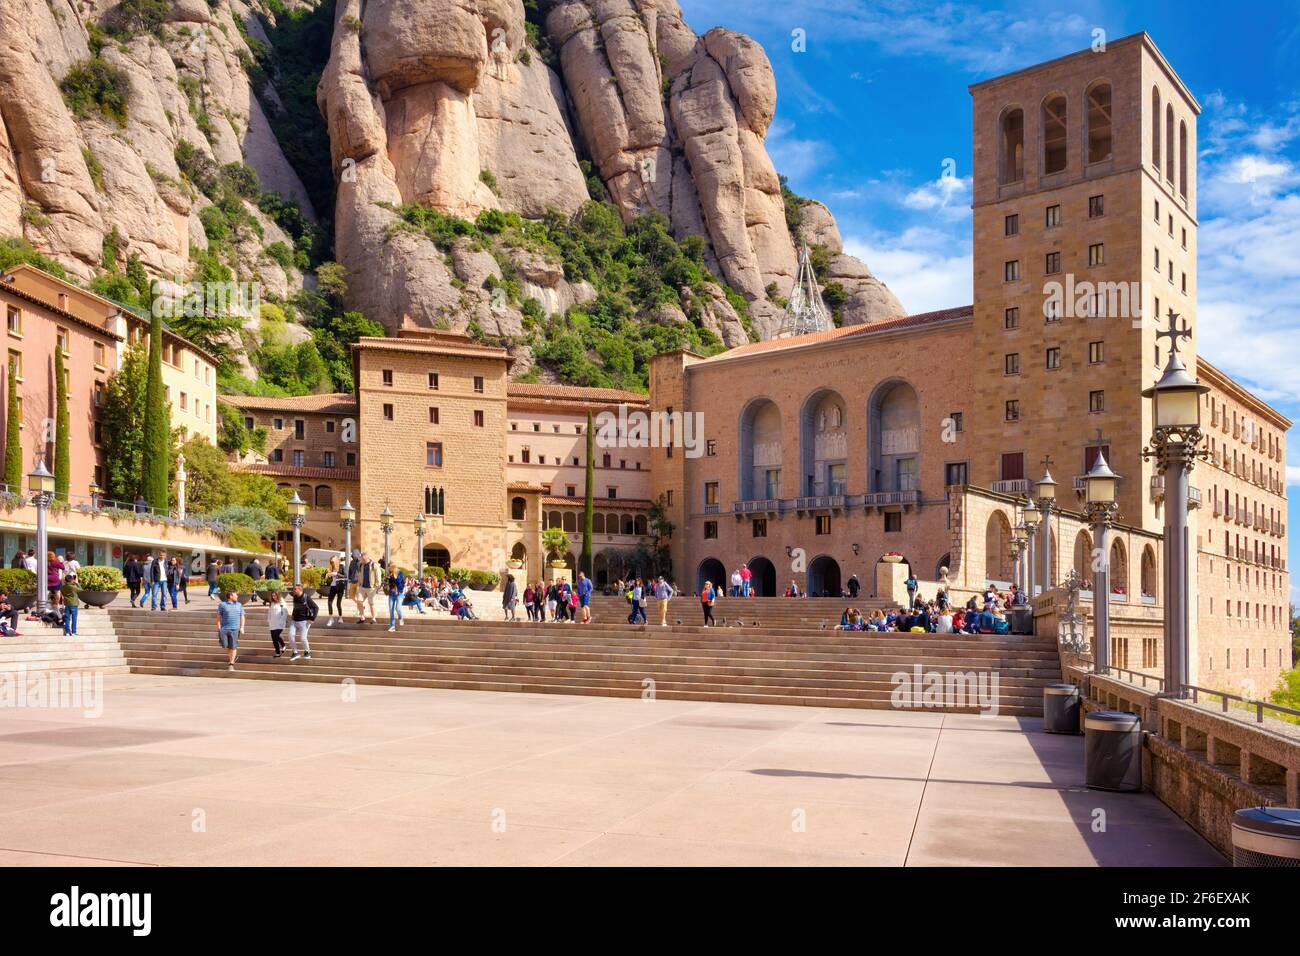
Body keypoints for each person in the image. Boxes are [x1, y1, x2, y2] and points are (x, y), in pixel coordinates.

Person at [216, 590, 244, 671]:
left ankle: (231, 663)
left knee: (233, 646)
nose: (237, 596)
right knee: (227, 645)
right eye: (236, 595)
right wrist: (219, 627)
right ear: (231, 596)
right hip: (224, 629)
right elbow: (218, 616)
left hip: (235, 629)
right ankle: (233, 657)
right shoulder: (222, 605)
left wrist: (242, 627)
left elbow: (242, 616)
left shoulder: (239, 605)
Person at [288, 584, 317, 660]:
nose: (293, 590)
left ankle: (307, 652)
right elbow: (295, 607)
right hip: (295, 621)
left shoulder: (306, 597)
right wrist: (293, 615)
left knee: (303, 638)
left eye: (295, 589)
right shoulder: (294, 597)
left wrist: (312, 619)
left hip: (304, 621)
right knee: (291, 635)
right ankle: (295, 652)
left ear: (300, 590)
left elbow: (316, 607)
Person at [354, 551, 379, 624]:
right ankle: (362, 617)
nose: (361, 560)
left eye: (362, 558)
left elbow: (378, 575)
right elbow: (359, 574)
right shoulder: (361, 565)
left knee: (371, 603)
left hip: (371, 588)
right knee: (359, 601)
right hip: (362, 587)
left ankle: (374, 618)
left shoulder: (374, 565)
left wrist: (377, 586)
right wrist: (359, 583)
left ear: (366, 558)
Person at [265, 588, 288, 658]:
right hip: (272, 623)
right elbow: (269, 612)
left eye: (275, 595)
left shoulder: (282, 602)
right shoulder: (271, 602)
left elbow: (285, 612)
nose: (273, 597)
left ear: (278, 595)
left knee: (276, 636)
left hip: (280, 623)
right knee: (274, 639)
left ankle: (283, 645)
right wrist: (269, 620)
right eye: (272, 596)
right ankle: (277, 652)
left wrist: (281, 621)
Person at [325, 554, 347, 626]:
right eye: (331, 562)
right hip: (333, 586)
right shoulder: (331, 568)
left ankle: (340, 617)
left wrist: (336, 573)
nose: (332, 563)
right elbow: (330, 579)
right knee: (329, 602)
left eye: (333, 562)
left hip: (340, 586)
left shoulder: (341, 567)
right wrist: (328, 575)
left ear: (336, 561)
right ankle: (331, 618)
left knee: (338, 604)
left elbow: (345, 576)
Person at [385, 564, 405, 633]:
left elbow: (400, 586)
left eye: (391, 571)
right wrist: (388, 579)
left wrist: (395, 578)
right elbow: (388, 584)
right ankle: (392, 626)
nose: (390, 573)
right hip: (391, 594)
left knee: (398, 608)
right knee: (391, 610)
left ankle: (400, 617)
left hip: (399, 594)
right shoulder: (390, 575)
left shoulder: (401, 574)